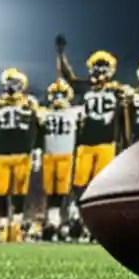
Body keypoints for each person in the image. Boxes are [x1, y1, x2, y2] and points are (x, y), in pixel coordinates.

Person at [56, 35, 130, 236]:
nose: (99, 70)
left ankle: (98, 220)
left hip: (107, 143)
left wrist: (125, 144)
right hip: (85, 143)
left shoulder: (118, 91)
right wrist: (61, 55)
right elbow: (68, 78)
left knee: (102, 184)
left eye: (104, 66)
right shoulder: (86, 87)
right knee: (79, 183)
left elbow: (125, 119)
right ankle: (78, 214)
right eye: (97, 66)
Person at [0, 68, 42, 242]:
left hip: (23, 153)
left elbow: (37, 127)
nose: (11, 86)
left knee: (20, 191)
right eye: (9, 82)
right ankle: (3, 224)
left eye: (15, 82)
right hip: (1, 153)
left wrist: (37, 149)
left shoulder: (30, 102)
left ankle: (16, 224)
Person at [39, 79, 83, 240]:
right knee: (51, 191)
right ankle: (54, 220)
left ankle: (73, 217)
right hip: (49, 155)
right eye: (55, 94)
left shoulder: (75, 112)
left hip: (67, 155)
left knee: (67, 189)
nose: (58, 98)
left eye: (61, 94)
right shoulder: (44, 113)